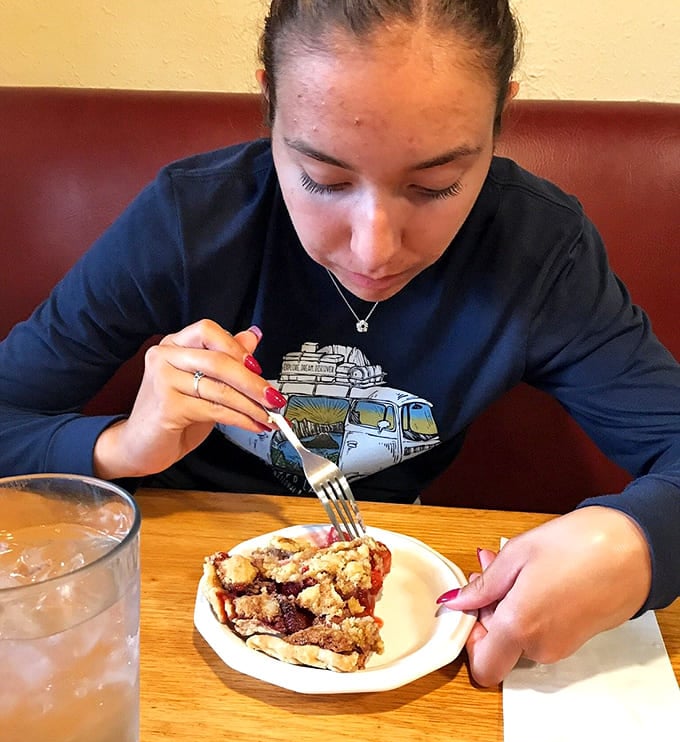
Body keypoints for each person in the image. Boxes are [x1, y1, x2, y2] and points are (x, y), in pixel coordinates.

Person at [0, 0, 678, 687]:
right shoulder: (187, 220)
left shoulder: (540, 252)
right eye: (324, 180)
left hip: (402, 628)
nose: (372, 248)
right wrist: (120, 446)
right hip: (155, 622)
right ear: (269, 105)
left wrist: (639, 542)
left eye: (436, 183)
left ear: (502, 114)